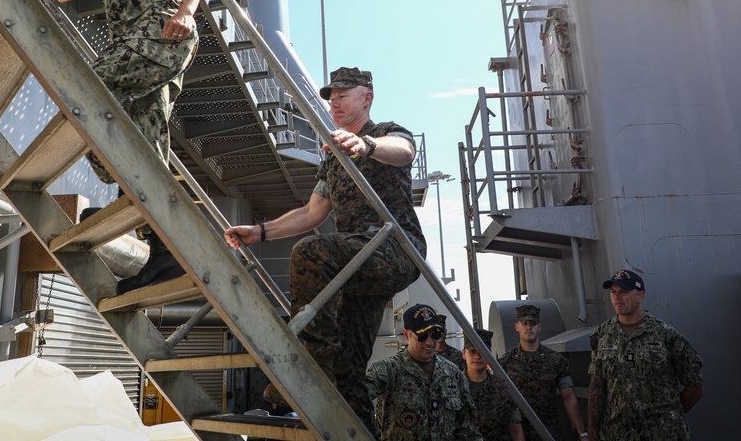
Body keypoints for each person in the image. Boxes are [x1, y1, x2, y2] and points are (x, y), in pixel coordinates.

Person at [0, 0, 204, 294]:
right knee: (146, 151)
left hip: (161, 32)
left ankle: (146, 218)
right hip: (128, 44)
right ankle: (166, 251)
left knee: (88, 90)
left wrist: (185, 12)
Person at [223, 66, 427, 435]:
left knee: (310, 253)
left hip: (394, 249)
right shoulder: (332, 157)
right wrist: (260, 231)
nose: (335, 103)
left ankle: (305, 365)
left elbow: (404, 151)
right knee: (348, 371)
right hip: (356, 266)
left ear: (367, 98)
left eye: (343, 96)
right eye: (332, 98)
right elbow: (312, 212)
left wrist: (366, 146)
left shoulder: (385, 134)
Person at [588, 269, 704, 441]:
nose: (617, 297)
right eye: (613, 292)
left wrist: (669, 416)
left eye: (624, 291)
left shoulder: (665, 335)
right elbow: (597, 386)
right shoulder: (602, 335)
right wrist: (592, 432)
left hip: (664, 435)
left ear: (640, 296)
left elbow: (695, 387)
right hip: (617, 434)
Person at [366, 304, 482, 441]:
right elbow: (354, 399)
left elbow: (469, 430)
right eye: (422, 336)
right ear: (406, 335)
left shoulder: (453, 374)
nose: (429, 342)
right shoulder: (388, 370)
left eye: (435, 335)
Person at [499, 305, 586, 441]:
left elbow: (568, 398)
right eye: (525, 323)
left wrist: (582, 433)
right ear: (517, 327)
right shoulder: (505, 363)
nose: (529, 327)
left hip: (549, 432)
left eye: (533, 324)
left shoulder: (556, 360)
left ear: (539, 327)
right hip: (518, 434)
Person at [463, 327, 524, 441]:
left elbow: (515, 429)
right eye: (472, 351)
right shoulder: (452, 388)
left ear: (489, 354)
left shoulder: (504, 388)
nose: (477, 356)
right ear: (463, 354)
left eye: (482, 351)